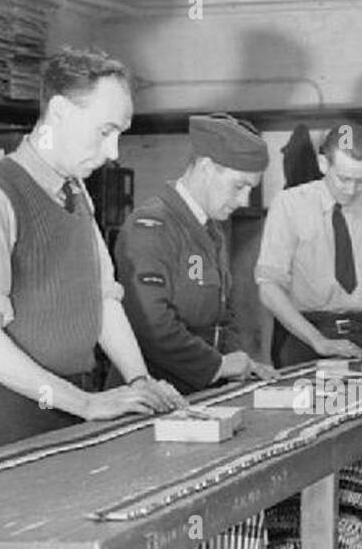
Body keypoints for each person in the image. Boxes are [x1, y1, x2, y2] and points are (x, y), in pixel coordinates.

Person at [0, 46, 181, 458]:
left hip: (72, 407)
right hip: (9, 420)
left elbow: (103, 300)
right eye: (104, 132)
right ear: (59, 111)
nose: (114, 153)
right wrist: (87, 404)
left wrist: (141, 381)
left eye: (119, 135)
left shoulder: (76, 193)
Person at [114, 113, 277, 395]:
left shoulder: (211, 232)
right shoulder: (152, 226)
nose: (243, 201)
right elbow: (151, 323)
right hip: (157, 396)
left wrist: (242, 364)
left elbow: (223, 317)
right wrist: (218, 366)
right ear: (206, 167)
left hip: (202, 392)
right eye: (239, 186)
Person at [256, 121, 362, 367]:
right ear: (324, 164)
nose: (351, 189)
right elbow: (269, 287)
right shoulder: (289, 205)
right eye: (343, 178)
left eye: (361, 180)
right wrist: (317, 340)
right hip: (307, 336)